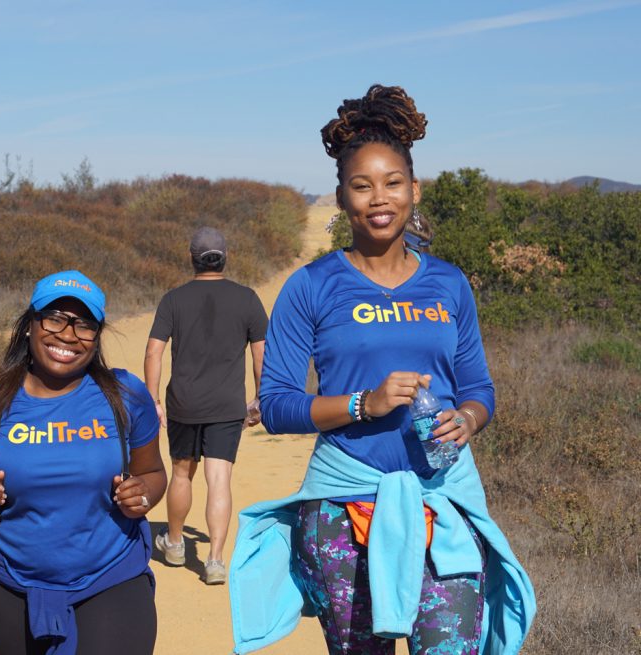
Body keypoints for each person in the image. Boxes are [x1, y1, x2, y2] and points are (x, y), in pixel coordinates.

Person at [229, 84, 535, 655]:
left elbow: (478, 388)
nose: (379, 198)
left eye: (393, 183)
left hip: (442, 500)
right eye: (362, 185)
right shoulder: (312, 287)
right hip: (343, 508)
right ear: (342, 197)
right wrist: (361, 404)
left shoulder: (449, 282)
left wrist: (468, 419)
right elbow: (275, 404)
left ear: (414, 190)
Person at [0, 270, 166, 655]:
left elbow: (154, 473)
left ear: (97, 335)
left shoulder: (125, 394)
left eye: (85, 325)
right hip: (12, 589)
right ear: (30, 325)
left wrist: (143, 495)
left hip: (111, 579)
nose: (69, 335)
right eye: (55, 318)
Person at [144, 226, 267, 585]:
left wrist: (152, 400)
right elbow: (262, 354)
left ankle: (176, 543)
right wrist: (260, 397)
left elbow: (154, 350)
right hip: (228, 405)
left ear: (192, 259)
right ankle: (214, 561)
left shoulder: (173, 299)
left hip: (184, 402)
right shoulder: (247, 299)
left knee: (182, 473)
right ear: (225, 257)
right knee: (219, 479)